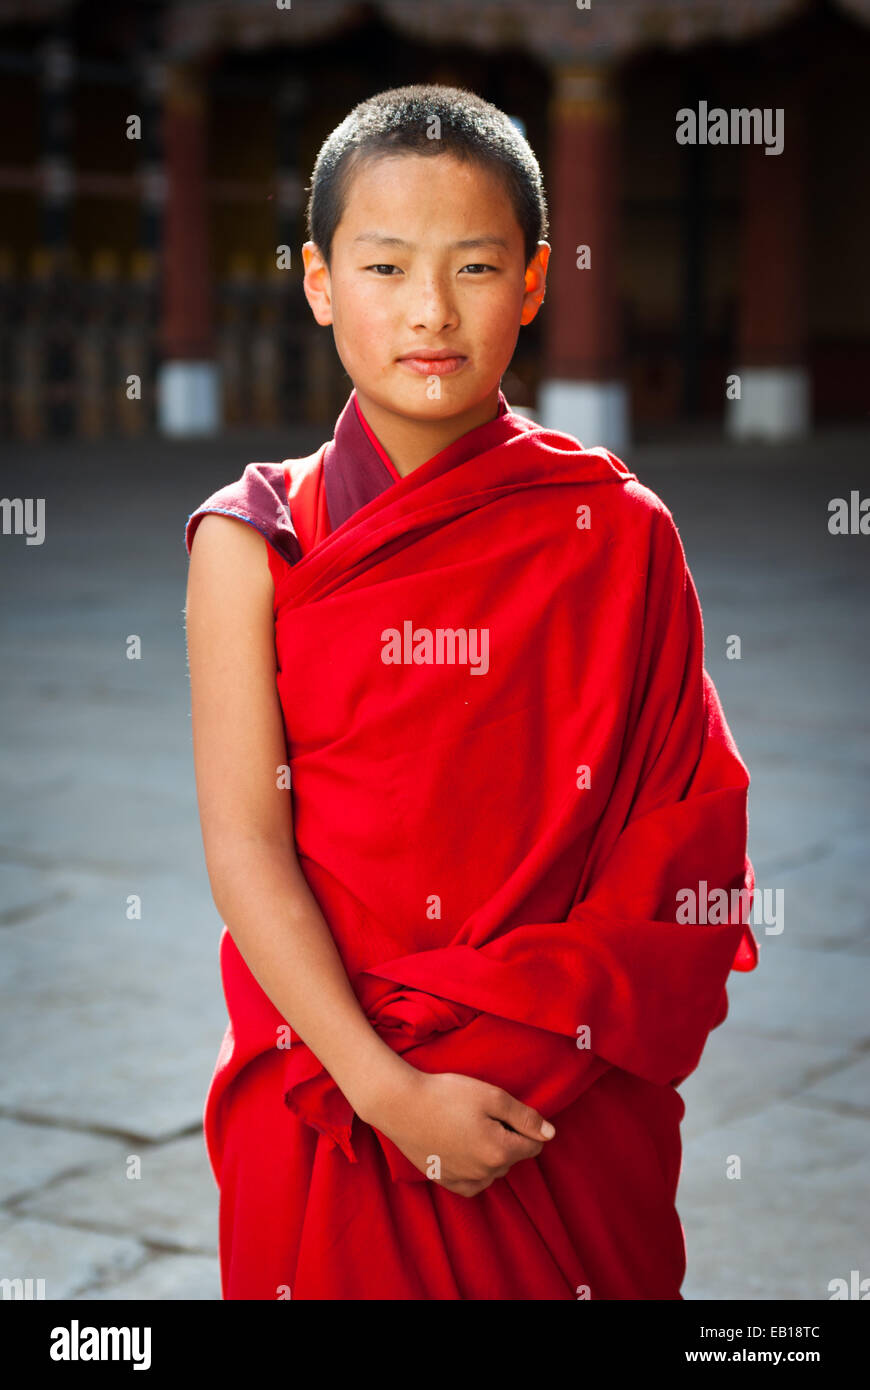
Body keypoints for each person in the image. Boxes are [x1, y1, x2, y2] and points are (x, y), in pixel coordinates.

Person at [183, 84, 758, 1301]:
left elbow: (683, 842)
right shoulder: (254, 542)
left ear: (538, 281)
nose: (431, 312)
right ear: (319, 280)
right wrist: (389, 1093)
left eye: (478, 267)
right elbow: (245, 849)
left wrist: (519, 1063)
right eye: (385, 267)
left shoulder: (617, 530)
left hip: (553, 1099)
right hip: (331, 1082)